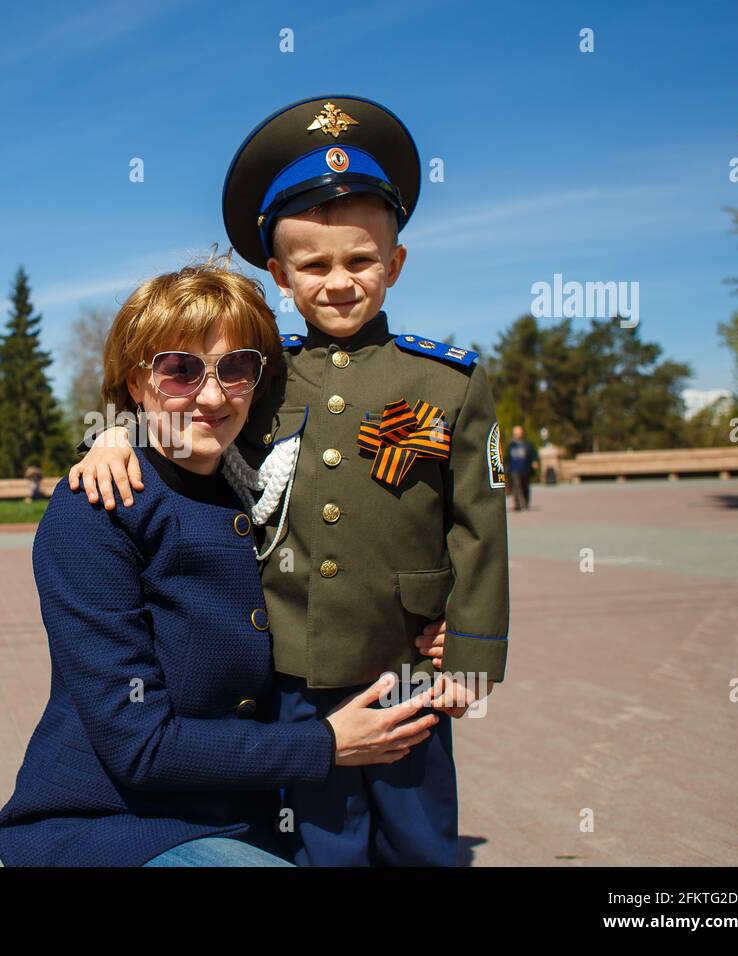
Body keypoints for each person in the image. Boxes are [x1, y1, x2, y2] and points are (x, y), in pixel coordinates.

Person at [70, 96, 510, 867]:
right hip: (294, 671)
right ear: (279, 275)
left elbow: (479, 524)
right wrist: (115, 434)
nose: (339, 282)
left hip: (407, 661)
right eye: (314, 265)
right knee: (322, 844)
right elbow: (193, 424)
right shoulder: (262, 376)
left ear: (396, 263)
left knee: (421, 841)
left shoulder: (448, 381)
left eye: (361, 260)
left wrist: (473, 649)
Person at [0, 263, 445, 867]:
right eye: (179, 369)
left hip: (249, 819)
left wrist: (434, 624)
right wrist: (324, 745)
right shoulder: (98, 509)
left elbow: (358, 557)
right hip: (116, 826)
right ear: (137, 382)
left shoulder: (260, 493)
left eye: (235, 368)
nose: (211, 395)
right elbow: (140, 745)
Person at [506, 425, 539, 511]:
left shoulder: (527, 444)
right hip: (514, 469)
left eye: (518, 433)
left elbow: (533, 454)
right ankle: (517, 505)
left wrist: (535, 461)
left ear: (522, 434)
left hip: (525, 469)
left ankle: (526, 502)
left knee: (525, 486)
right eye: (515, 434)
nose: (516, 435)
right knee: (516, 486)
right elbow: (507, 457)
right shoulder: (511, 445)